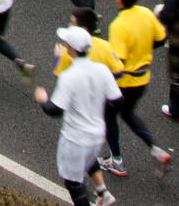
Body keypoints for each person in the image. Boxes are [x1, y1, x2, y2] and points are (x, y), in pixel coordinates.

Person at [35, 23, 120, 206]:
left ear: (71, 48)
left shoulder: (70, 75)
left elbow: (54, 110)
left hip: (75, 138)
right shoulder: (102, 70)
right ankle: (103, 194)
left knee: (73, 182)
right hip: (98, 134)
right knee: (88, 161)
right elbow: (117, 100)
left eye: (66, 43)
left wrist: (43, 99)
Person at [101, 0, 172, 176]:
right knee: (128, 113)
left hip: (124, 82)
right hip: (143, 79)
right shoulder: (145, 12)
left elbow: (118, 62)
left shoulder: (119, 25)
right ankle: (155, 149)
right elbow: (161, 38)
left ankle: (116, 160)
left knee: (109, 117)